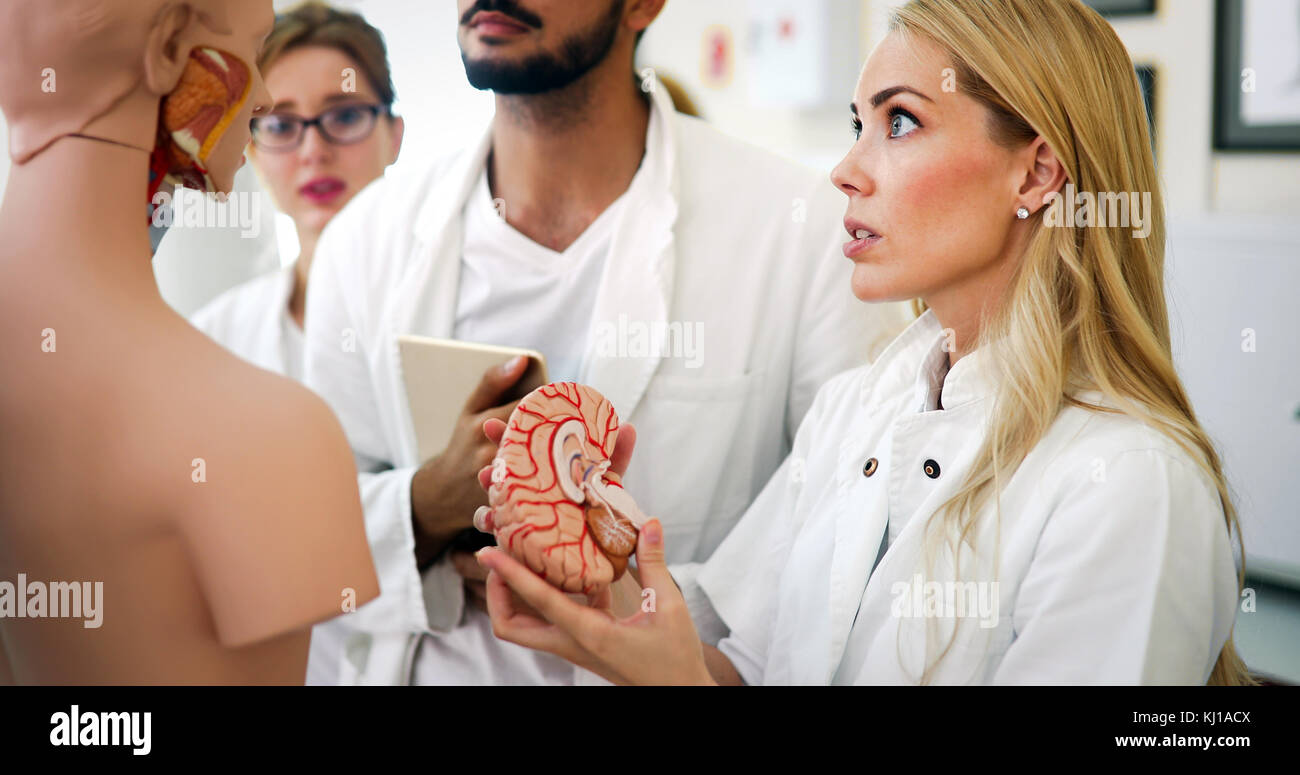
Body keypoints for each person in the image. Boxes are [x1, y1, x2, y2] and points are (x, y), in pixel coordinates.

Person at [474, 0, 1252, 685]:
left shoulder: (1129, 485)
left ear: (1035, 174)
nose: (845, 171)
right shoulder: (856, 408)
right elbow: (739, 663)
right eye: (857, 126)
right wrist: (585, 536)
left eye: (900, 122)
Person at [301, 0, 908, 684]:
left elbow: (850, 542)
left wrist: (599, 569)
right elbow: (307, 534)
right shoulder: (363, 240)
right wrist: (424, 505)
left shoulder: (801, 231)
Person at [0, 0, 378, 684]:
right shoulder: (273, 432)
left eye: (345, 114)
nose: (259, 101)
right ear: (169, 49)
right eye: (254, 51)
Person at [191, 1, 404, 383]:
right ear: (251, 150)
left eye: (345, 115)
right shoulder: (213, 340)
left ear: (395, 137)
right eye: (280, 125)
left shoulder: (460, 305)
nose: (314, 152)